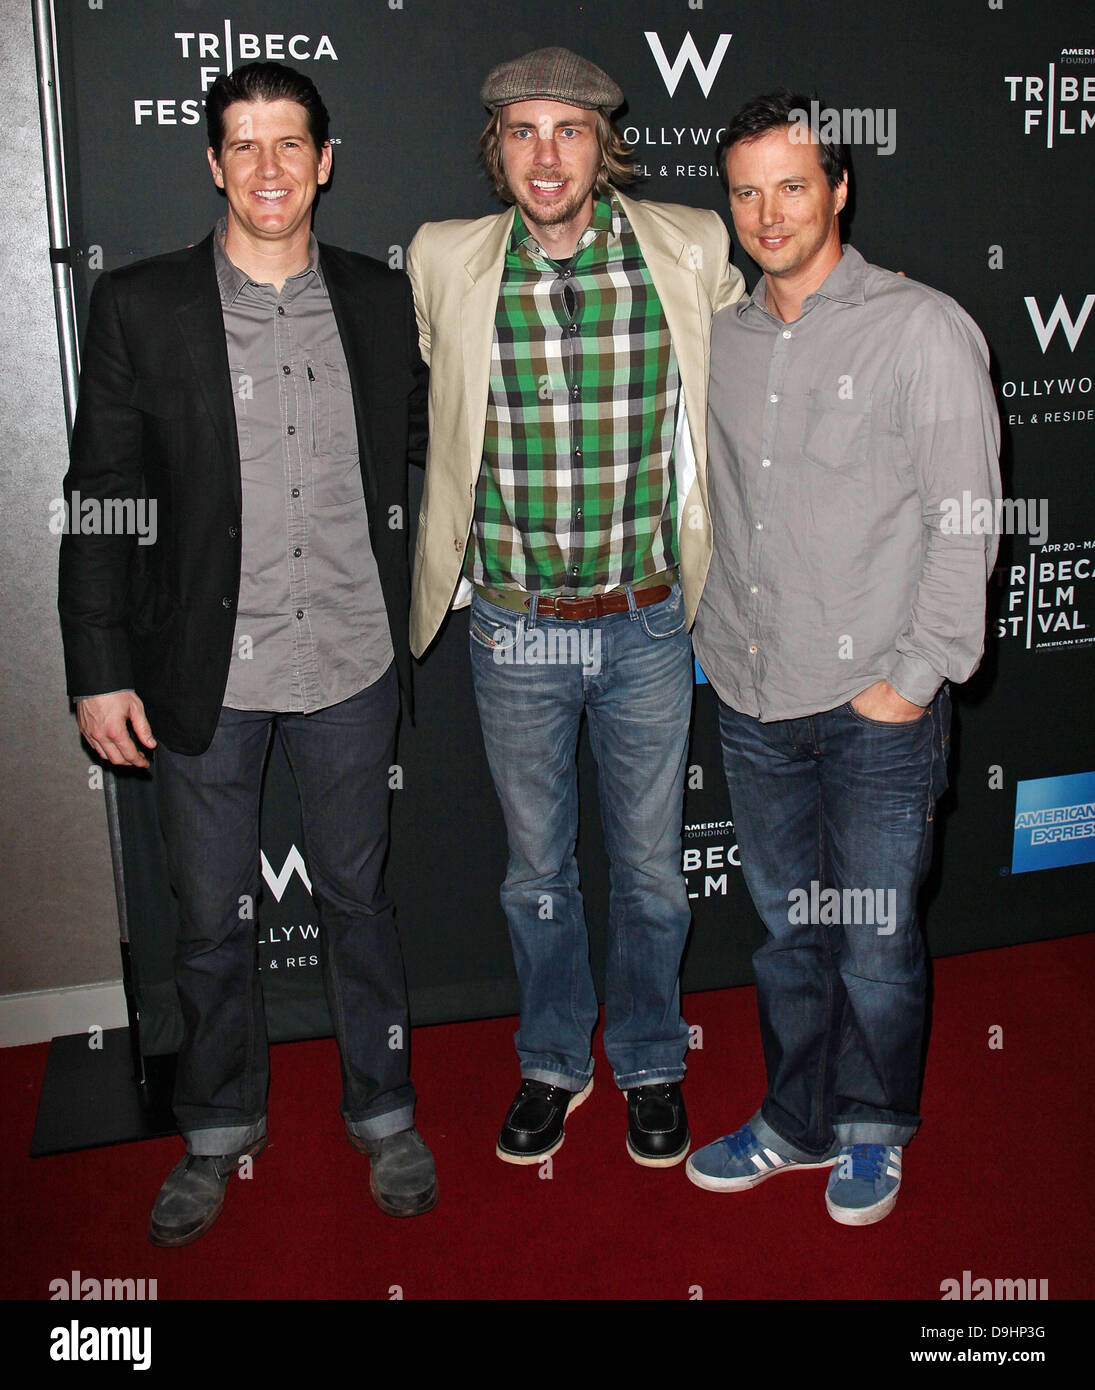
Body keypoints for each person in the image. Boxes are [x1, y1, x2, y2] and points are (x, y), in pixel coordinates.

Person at [58, 61, 436, 1245]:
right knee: (210, 916)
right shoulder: (141, 307)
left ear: (325, 161)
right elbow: (103, 497)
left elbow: (454, 443)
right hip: (199, 675)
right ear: (214, 163)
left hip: (353, 660)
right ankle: (216, 1125)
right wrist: (97, 662)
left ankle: (383, 1109)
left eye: (291, 145)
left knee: (361, 900)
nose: (269, 169)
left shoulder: (382, 303)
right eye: (244, 146)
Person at [407, 46, 744, 1167]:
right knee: (536, 871)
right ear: (495, 151)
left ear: (608, 147)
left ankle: (651, 1059)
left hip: (650, 619)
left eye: (569, 130)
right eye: (521, 131)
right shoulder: (445, 261)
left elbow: (756, 386)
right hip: (512, 623)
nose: (545, 154)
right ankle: (553, 1060)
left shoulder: (690, 246)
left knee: (652, 870)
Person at [687, 91, 1001, 1223]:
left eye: (793, 184)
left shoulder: (920, 327)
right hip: (751, 688)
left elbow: (966, 519)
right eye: (746, 189)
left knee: (873, 938)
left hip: (879, 703)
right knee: (787, 936)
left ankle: (873, 1127)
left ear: (840, 190)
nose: (768, 212)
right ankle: (796, 1118)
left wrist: (912, 681)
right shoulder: (717, 332)